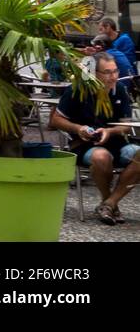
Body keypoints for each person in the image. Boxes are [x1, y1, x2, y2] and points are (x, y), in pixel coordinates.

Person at [48, 53, 140, 225]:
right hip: (84, 144)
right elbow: (55, 119)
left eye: (115, 71)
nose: (113, 77)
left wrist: (109, 131)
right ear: (94, 73)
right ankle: (108, 201)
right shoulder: (77, 89)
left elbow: (127, 126)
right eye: (107, 72)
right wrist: (78, 128)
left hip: (117, 143)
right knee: (101, 157)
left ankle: (109, 204)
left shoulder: (119, 89)